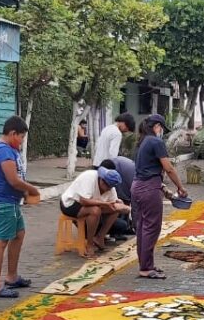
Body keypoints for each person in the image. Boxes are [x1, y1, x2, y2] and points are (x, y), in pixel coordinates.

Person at [0, 116, 42, 299]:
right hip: (3, 202)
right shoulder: (4, 151)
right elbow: (14, 180)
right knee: (0, 242)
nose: (22, 141)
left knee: (19, 234)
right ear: (12, 133)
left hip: (10, 201)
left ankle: (12, 276)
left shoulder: (6, 148)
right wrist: (32, 189)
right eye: (21, 137)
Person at [132, 114, 187, 280]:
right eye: (161, 128)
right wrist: (180, 187)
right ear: (157, 126)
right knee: (151, 227)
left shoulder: (142, 142)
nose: (161, 131)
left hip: (137, 187)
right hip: (149, 189)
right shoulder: (155, 142)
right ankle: (146, 268)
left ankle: (145, 264)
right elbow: (168, 168)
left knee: (143, 227)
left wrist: (164, 189)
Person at [61, 167, 129, 255]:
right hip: (71, 204)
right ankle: (89, 244)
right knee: (95, 211)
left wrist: (126, 208)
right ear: (102, 180)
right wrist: (104, 204)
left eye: (110, 187)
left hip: (89, 205)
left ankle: (100, 237)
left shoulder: (110, 189)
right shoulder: (89, 178)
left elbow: (114, 203)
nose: (108, 189)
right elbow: (83, 201)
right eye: (107, 186)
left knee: (115, 209)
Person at [99, 156, 136, 238]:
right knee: (121, 202)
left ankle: (123, 227)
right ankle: (117, 231)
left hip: (117, 168)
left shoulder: (141, 173)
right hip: (116, 169)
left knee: (121, 202)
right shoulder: (139, 177)